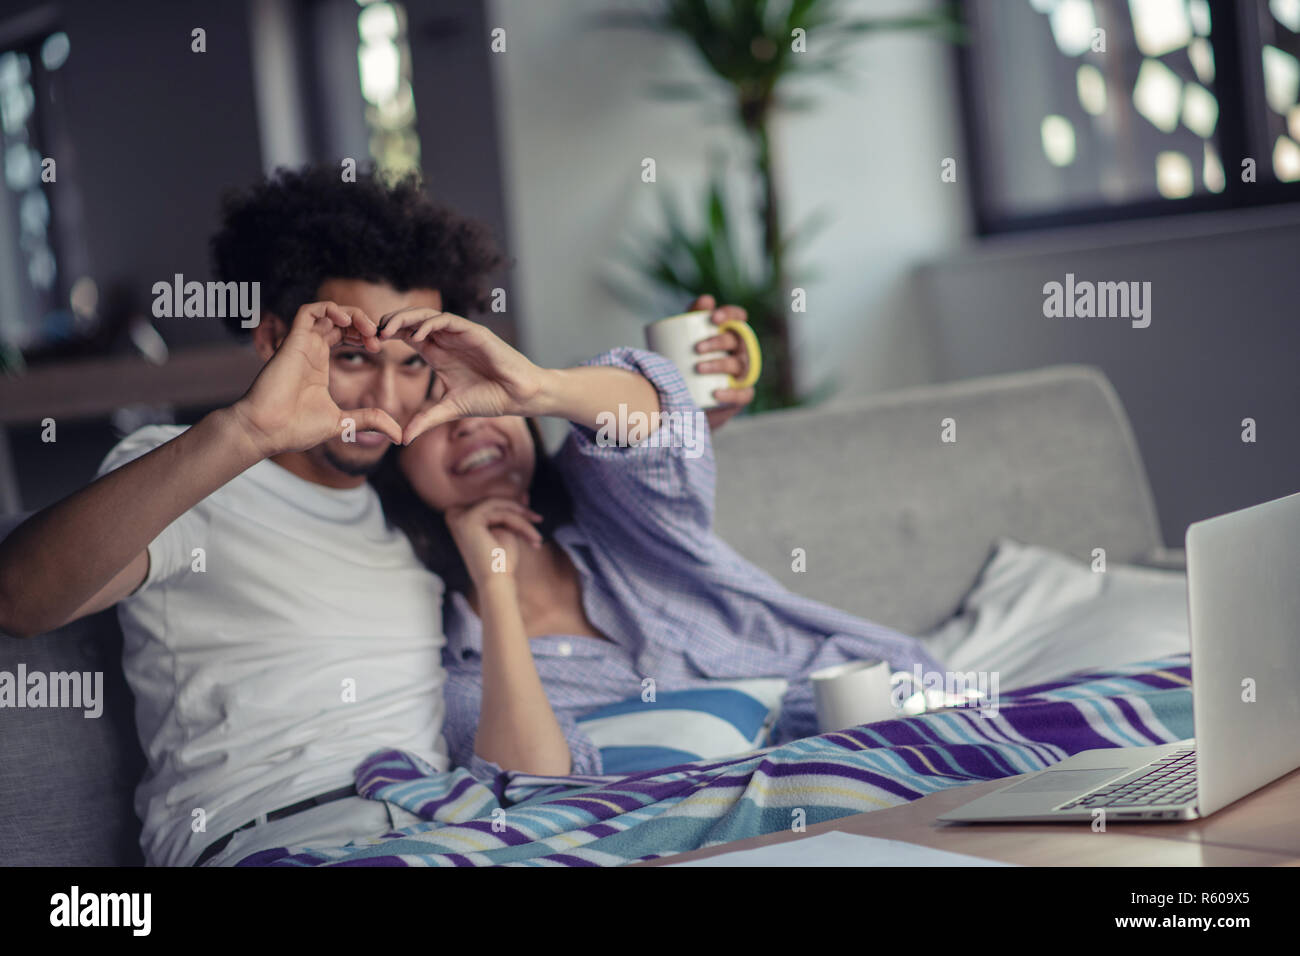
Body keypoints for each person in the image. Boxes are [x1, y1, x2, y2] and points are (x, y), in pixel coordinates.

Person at [0, 162, 757, 866]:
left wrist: (606, 396)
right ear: (273, 339)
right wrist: (245, 432)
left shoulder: (416, 501)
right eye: (354, 356)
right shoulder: (189, 471)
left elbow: (647, 441)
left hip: (458, 824)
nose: (385, 400)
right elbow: (22, 599)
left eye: (411, 364)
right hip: (285, 835)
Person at [370, 308, 948, 781]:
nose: (467, 420)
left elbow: (654, 418)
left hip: (901, 710)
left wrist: (538, 387)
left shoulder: (610, 507)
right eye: (433, 410)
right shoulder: (459, 669)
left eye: (482, 397)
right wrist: (495, 586)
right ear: (397, 468)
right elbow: (534, 784)